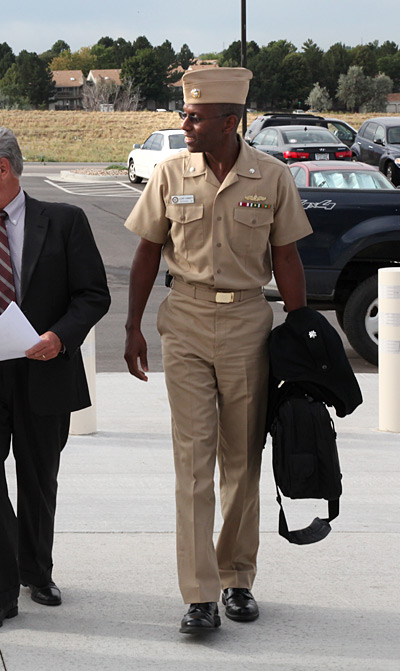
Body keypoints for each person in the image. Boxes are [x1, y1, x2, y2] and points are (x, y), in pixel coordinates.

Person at [123, 68, 312, 634]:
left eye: (195, 117)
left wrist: (302, 333)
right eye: (185, 114)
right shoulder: (170, 174)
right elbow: (146, 253)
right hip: (183, 320)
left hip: (248, 323)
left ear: (231, 122)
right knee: (193, 461)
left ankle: (236, 578)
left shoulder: (272, 177)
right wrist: (132, 326)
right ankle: (200, 593)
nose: (185, 124)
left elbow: (287, 260)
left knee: (242, 460)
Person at [0, 127, 110, 631]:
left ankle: (37, 571)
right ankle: (0, 592)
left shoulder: (66, 222)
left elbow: (93, 295)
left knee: (37, 481)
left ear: (2, 168)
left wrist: (60, 336)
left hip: (44, 374)